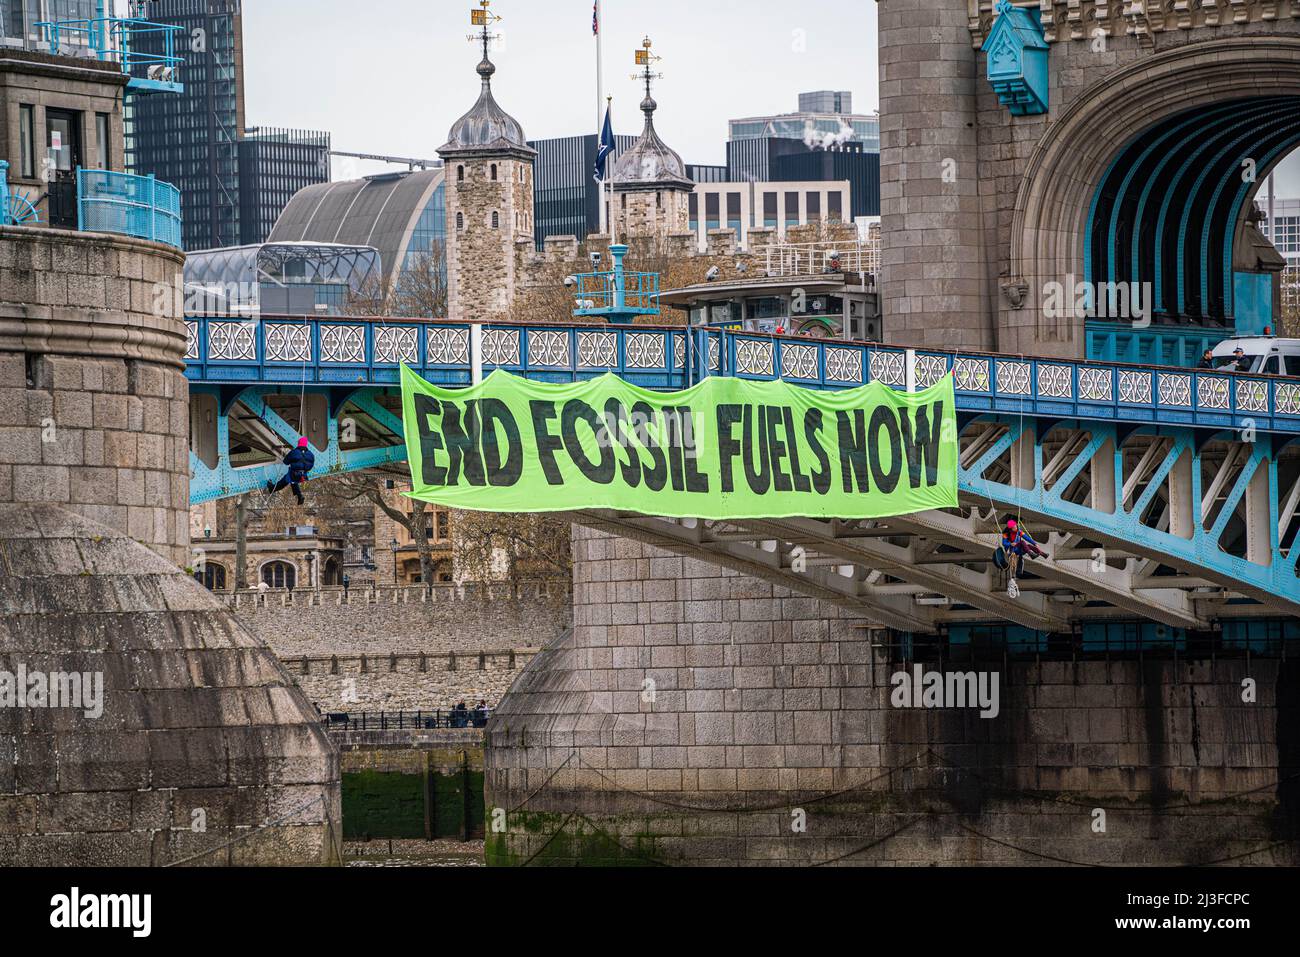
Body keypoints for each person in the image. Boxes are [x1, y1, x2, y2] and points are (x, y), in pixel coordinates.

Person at [265, 437, 314, 504]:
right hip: (303, 475)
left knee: (285, 481)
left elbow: (286, 462)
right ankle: (300, 496)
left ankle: (272, 488)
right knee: (293, 482)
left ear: (299, 444)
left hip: (294, 473)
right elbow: (310, 466)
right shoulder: (311, 454)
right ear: (306, 444)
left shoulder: (294, 452)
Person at [994, 516, 1041, 580]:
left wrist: (1035, 543)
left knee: (1026, 545)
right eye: (1014, 527)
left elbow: (1026, 537)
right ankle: (1031, 554)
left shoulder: (1019, 532)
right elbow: (1004, 543)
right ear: (1010, 529)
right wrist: (1010, 544)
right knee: (1022, 544)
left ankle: (1033, 554)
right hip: (1012, 550)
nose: (1016, 528)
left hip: (1018, 549)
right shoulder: (1006, 534)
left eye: (1016, 526)